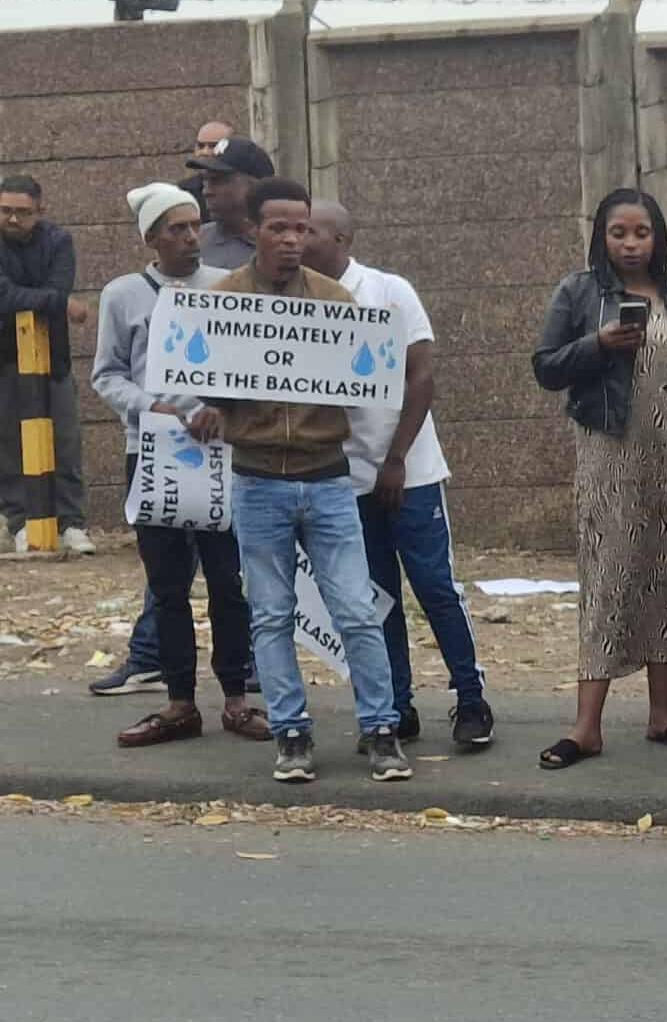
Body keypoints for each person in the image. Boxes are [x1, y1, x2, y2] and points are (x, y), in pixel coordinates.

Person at [187, 178, 406, 784]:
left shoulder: (335, 299)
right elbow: (206, 378)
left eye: (301, 228)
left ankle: (380, 729)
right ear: (253, 230)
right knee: (270, 614)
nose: (291, 239)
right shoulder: (224, 299)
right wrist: (212, 402)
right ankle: (291, 733)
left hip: (328, 476)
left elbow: (366, 378)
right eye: (278, 227)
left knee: (356, 610)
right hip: (257, 479)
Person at [532, 188, 667, 770]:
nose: (630, 244)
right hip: (611, 458)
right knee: (610, 580)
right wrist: (597, 345)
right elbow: (546, 367)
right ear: (601, 237)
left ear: (657, 237)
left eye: (641, 232)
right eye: (618, 232)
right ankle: (586, 728)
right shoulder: (579, 293)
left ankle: (662, 715)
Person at [301, 202, 493, 752]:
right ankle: (395, 706)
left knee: (434, 586)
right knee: (374, 599)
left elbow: (421, 375)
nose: (298, 239)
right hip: (345, 478)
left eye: (308, 230)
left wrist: (396, 458)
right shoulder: (297, 300)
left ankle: (471, 699)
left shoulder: (388, 291)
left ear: (340, 239)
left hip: (408, 472)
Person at [91, 183, 264, 749]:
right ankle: (179, 702)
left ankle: (236, 697)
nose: (191, 237)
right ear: (151, 238)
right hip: (153, 455)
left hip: (220, 455)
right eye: (177, 229)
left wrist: (223, 409)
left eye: (195, 225)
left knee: (228, 582)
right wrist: (152, 406)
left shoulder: (228, 285)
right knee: (167, 586)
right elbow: (107, 375)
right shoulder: (122, 295)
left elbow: (251, 366)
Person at [0, 173, 94, 554]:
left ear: (40, 211)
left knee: (65, 441)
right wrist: (58, 304)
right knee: (10, 444)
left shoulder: (58, 241)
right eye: (5, 210)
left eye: (22, 212)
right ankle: (20, 522)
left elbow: (58, 287)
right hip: (4, 358)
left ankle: (71, 523)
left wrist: (50, 300)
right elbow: (3, 297)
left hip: (52, 356)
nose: (12, 219)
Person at [184, 135, 275, 269]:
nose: (206, 191)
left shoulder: (287, 244)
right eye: (205, 180)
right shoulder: (193, 242)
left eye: (217, 180)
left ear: (255, 186)